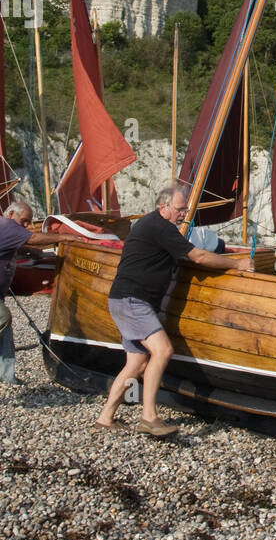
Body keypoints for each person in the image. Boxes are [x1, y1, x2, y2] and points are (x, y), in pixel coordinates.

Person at [96, 184, 254, 436]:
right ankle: (148, 417)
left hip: (126, 300)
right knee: (163, 350)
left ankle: (105, 417)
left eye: (186, 209)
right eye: (180, 209)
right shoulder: (160, 226)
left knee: (136, 363)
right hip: (132, 301)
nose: (184, 214)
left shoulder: (152, 226)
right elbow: (198, 257)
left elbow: (182, 254)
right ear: (164, 208)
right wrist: (237, 265)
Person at [0, 201, 59, 384]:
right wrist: (69, 239)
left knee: (6, 333)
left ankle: (7, 376)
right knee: (3, 319)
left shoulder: (7, 229)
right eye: (24, 221)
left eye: (29, 222)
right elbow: (32, 238)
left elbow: (14, 245)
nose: (26, 226)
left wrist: (28, 252)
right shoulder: (5, 225)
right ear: (10, 214)